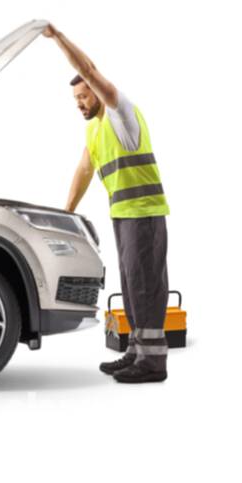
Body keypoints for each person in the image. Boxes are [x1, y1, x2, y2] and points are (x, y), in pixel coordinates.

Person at [45, 24, 171, 384]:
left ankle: (153, 363)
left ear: (98, 92)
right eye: (76, 99)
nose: (80, 103)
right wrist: (66, 212)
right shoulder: (94, 129)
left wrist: (58, 38)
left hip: (144, 215)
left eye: (84, 96)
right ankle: (136, 351)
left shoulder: (121, 113)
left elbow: (89, 70)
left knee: (146, 284)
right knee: (133, 285)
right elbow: (85, 169)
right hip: (124, 216)